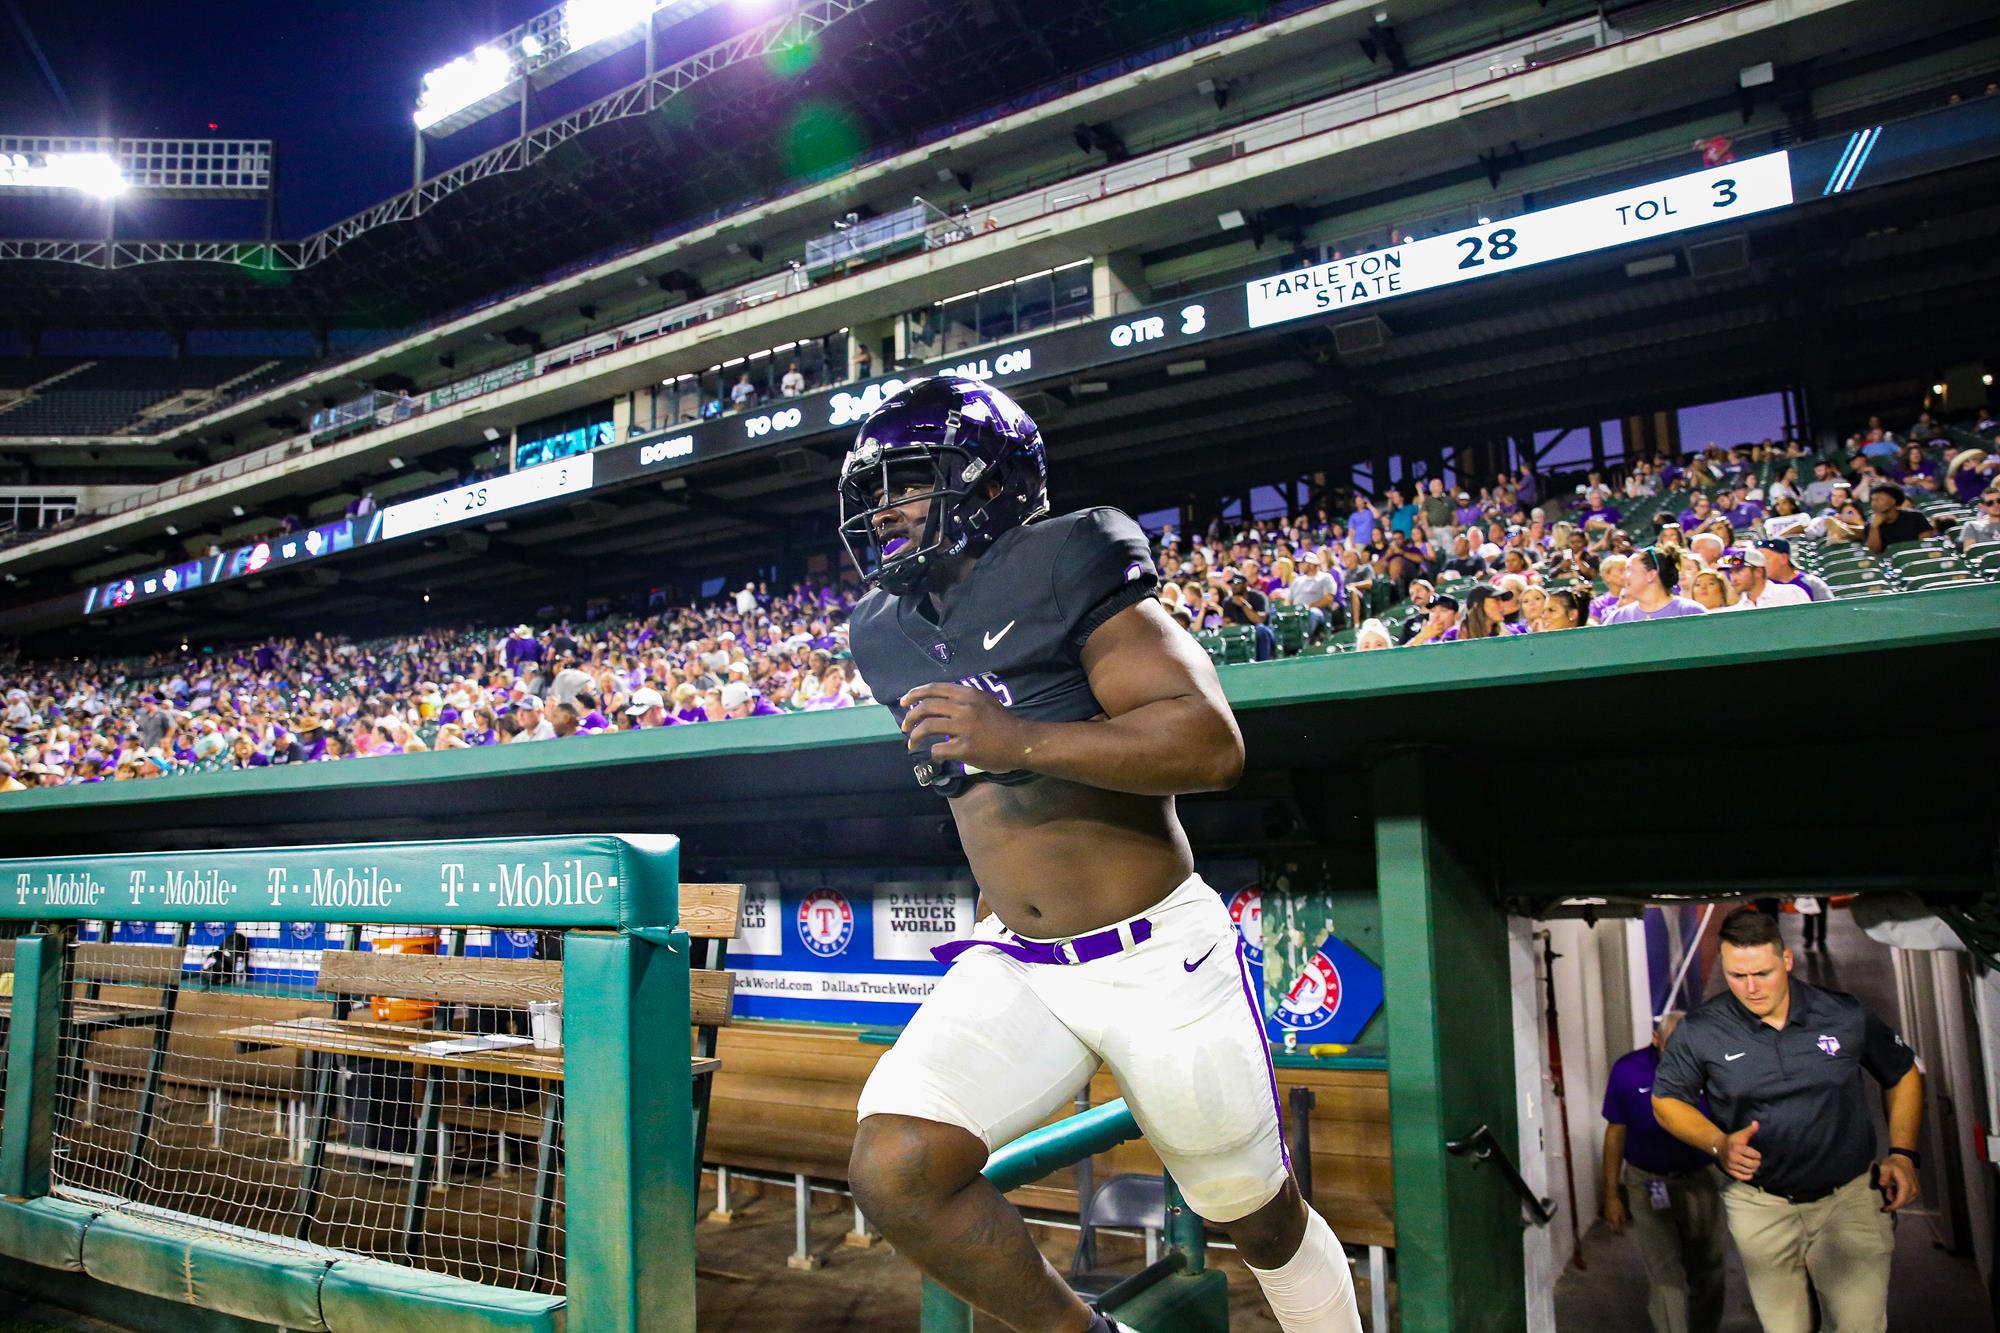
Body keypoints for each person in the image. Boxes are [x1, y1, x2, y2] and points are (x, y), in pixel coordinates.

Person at [839, 375, 1359, 1333]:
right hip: (1021, 961)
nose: (887, 508)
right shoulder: (883, 625)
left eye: (911, 482)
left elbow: (1209, 743)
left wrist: (1018, 740)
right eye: (877, 490)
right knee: (896, 1168)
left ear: (987, 480)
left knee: (1258, 1218)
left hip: (1158, 956)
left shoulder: (1066, 559)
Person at [1652, 907, 1924, 1333]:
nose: (1751, 988)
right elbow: (1667, 1100)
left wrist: (1903, 1154)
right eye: (1737, 976)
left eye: (1762, 973)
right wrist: (1718, 1143)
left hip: (1849, 1199)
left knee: (1860, 1326)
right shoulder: (1702, 1031)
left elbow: (1902, 1071)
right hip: (1762, 1207)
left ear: (1787, 961)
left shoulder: (1842, 1014)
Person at [1602, 1011, 1726, 1333]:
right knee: (1665, 1274)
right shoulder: (1628, 1072)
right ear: (1656, 1040)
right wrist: (1612, 1195)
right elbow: (1615, 1133)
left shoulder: (1711, 1070)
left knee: (1709, 1268)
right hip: (1649, 1183)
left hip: (1700, 1180)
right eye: (1675, 1045)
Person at [1601, 549, 1707, 624]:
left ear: (1651, 575)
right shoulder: (1617, 618)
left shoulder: (1691, 612)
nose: (1623, 577)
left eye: (1629, 570)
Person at [1715, 548, 1810, 611]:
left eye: (1739, 571)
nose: (1733, 578)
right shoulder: (1734, 611)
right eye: (1731, 572)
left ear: (1758, 572)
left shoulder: (1790, 594)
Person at [1865, 482, 1935, 554]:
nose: (1874, 503)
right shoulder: (1871, 524)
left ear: (1893, 501)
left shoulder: (1915, 517)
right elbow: (1874, 552)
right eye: (1873, 500)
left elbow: (1926, 544)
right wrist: (1874, 528)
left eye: (1880, 499)